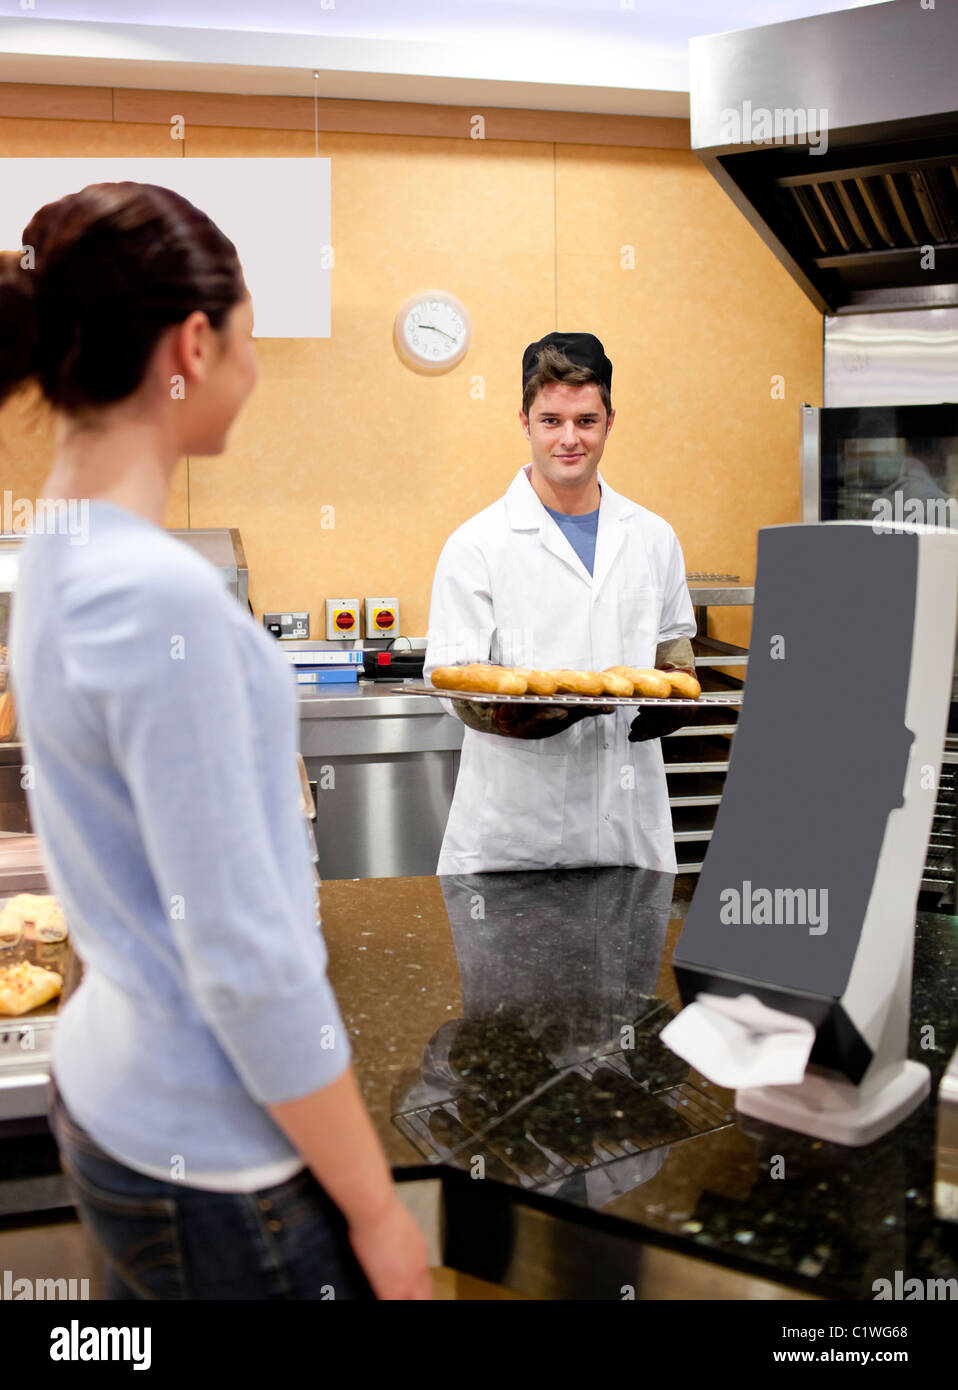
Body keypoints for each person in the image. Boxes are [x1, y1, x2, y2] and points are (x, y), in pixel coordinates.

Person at [0, 182, 430, 1300]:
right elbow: (246, 965)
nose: (254, 362)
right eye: (247, 332)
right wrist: (380, 1210)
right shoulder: (162, 601)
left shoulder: (56, 540)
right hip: (218, 1155)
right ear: (195, 342)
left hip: (110, 1098)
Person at [424, 331, 697, 874]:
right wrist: (525, 714)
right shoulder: (477, 544)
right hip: (516, 838)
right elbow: (453, 683)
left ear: (610, 421)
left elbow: (674, 644)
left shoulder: (653, 536)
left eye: (586, 421)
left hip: (629, 831)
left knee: (633, 960)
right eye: (551, 421)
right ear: (525, 422)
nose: (569, 439)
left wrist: (679, 691)